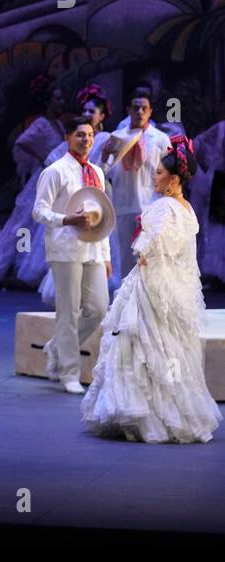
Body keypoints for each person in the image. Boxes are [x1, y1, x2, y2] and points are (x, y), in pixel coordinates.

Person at [82, 137, 221, 442]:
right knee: (169, 349)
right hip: (176, 285)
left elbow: (152, 246)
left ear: (173, 180)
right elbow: (186, 255)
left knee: (142, 346)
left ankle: (140, 412)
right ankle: (173, 413)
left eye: (159, 173)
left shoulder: (164, 207)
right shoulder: (187, 210)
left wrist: (145, 261)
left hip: (151, 283)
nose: (154, 176)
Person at [34, 116, 113, 395]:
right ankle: (68, 371)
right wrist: (67, 219)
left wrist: (106, 255)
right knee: (69, 311)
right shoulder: (56, 171)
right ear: (68, 137)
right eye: (80, 134)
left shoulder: (96, 172)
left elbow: (103, 216)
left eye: (90, 135)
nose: (86, 140)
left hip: (92, 247)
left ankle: (56, 347)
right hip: (65, 247)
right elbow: (39, 210)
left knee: (98, 307)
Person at [0, 76, 65, 289]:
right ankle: (12, 266)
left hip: (53, 182)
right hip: (41, 180)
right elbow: (22, 142)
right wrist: (41, 158)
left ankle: (30, 268)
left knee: (39, 227)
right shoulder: (41, 123)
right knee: (23, 226)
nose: (61, 102)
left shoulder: (58, 124)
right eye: (57, 98)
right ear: (48, 100)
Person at [102, 87, 172, 278]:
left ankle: (147, 301)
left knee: (149, 257)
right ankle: (126, 301)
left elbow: (170, 174)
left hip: (150, 204)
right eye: (135, 108)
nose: (139, 112)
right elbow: (105, 171)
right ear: (128, 110)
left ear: (150, 111)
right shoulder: (117, 137)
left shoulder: (160, 139)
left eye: (144, 108)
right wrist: (105, 155)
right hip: (123, 205)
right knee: (125, 257)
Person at [190, 110, 225, 286]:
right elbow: (197, 145)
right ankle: (217, 273)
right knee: (218, 227)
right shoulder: (221, 128)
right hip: (222, 181)